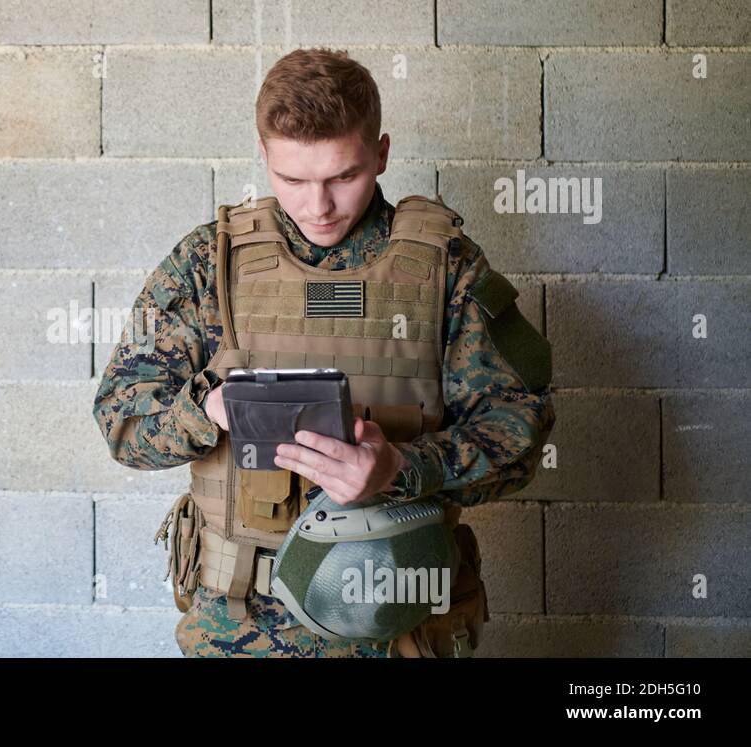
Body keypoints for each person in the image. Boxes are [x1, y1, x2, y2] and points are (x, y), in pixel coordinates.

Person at [93, 48, 555, 658]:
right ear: (264, 157)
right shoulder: (208, 265)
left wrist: (404, 468)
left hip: (397, 624)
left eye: (344, 176)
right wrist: (208, 410)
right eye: (293, 179)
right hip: (239, 627)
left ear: (382, 154)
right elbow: (124, 426)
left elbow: (521, 438)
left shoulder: (447, 267)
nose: (319, 206)